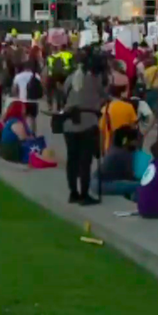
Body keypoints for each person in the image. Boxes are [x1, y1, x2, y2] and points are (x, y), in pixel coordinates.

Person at [62, 55, 104, 206]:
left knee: (72, 159)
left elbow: (64, 97)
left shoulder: (70, 79)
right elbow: (102, 95)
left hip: (69, 123)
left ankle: (73, 192)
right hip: (88, 122)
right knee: (85, 161)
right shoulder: (94, 79)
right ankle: (84, 194)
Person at [95, 126, 145, 200]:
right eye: (137, 140)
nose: (139, 142)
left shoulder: (115, 148)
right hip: (102, 184)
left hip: (98, 182)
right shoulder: (123, 154)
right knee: (142, 185)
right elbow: (131, 175)